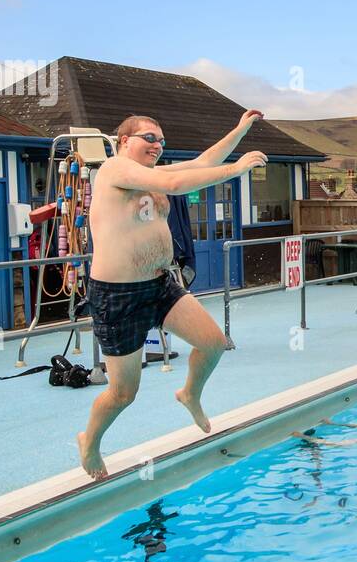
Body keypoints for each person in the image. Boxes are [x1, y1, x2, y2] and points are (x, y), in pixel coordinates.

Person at [77, 111, 267, 480]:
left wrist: (240, 129)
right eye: (149, 138)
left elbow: (201, 163)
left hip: (160, 284)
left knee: (213, 343)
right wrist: (236, 171)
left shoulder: (153, 176)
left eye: (161, 141)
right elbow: (181, 181)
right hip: (118, 295)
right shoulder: (114, 170)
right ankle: (90, 441)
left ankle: (190, 394)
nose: (157, 145)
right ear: (124, 141)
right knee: (123, 393)